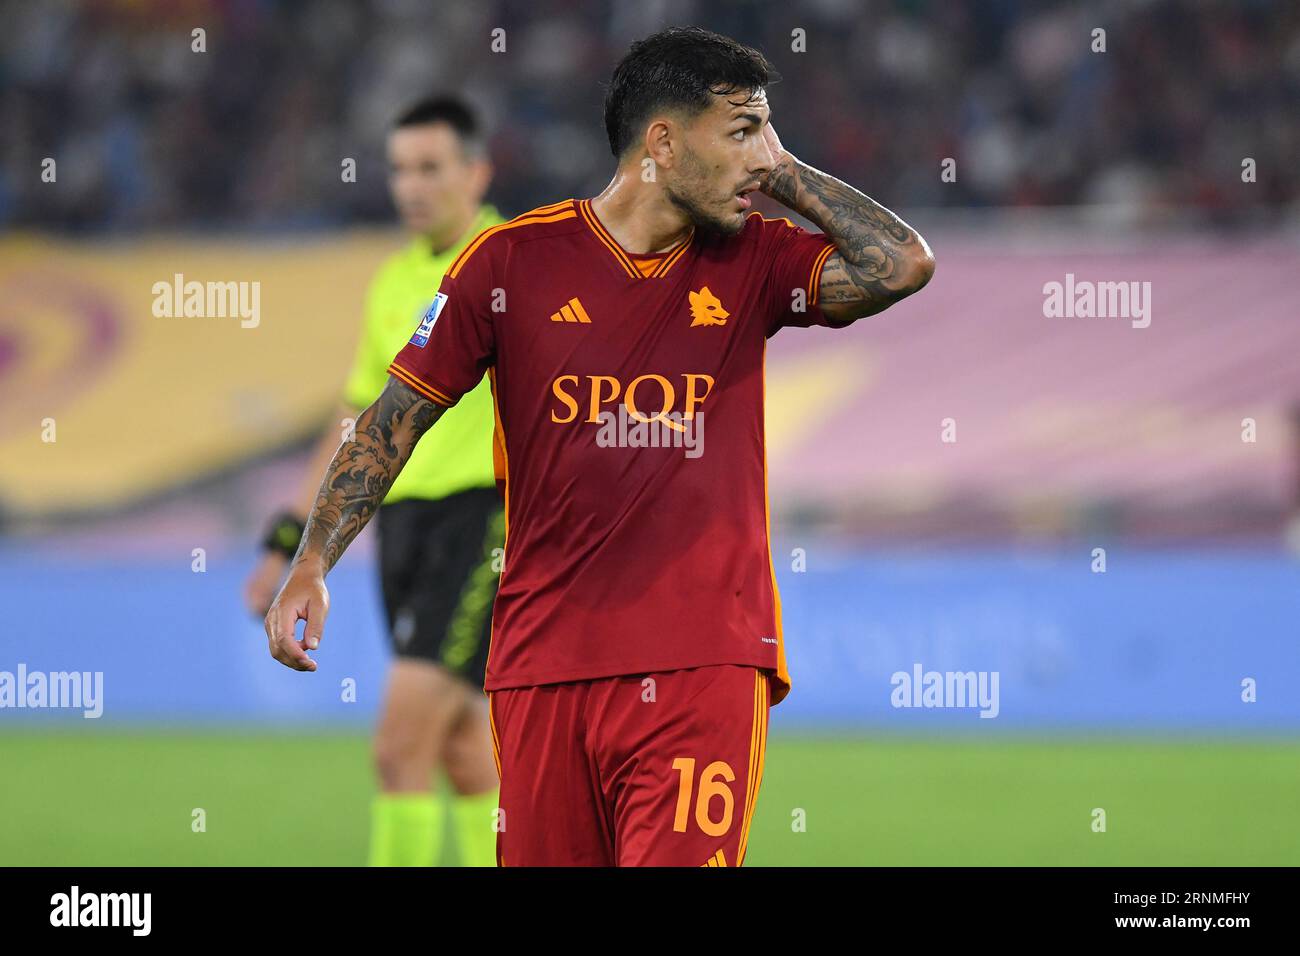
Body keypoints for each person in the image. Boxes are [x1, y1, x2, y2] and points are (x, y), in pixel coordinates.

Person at [265, 27, 934, 866]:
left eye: (767, 132)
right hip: (543, 666)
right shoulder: (510, 264)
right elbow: (392, 419)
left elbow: (901, 265)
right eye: (740, 132)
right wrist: (312, 560)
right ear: (662, 142)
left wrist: (786, 168)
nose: (760, 158)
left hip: (704, 663)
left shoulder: (756, 258)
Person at [247, 96, 504, 867]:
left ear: (476, 172)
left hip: (486, 525)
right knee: (463, 754)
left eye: (431, 168)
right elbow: (357, 421)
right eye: (399, 169)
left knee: (399, 751)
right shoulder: (392, 280)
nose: (411, 186)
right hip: (401, 528)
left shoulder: (508, 259)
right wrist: (291, 541)